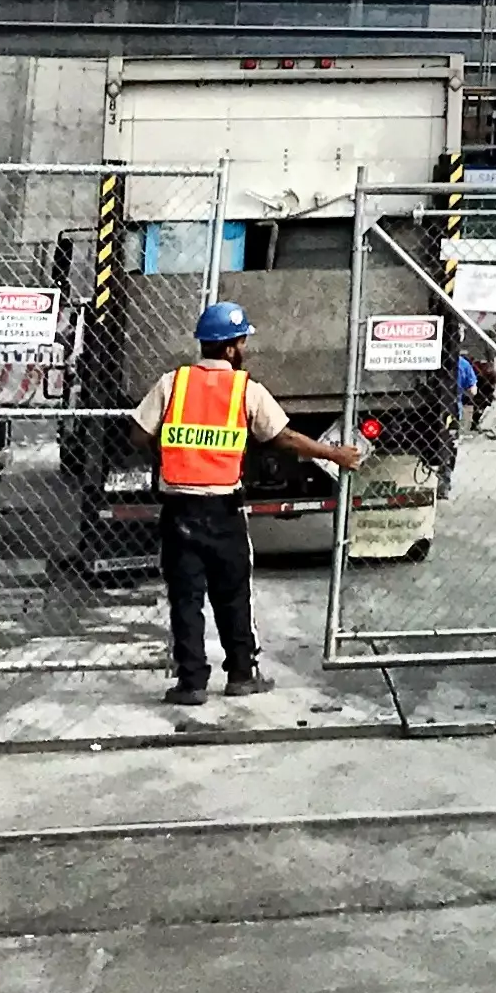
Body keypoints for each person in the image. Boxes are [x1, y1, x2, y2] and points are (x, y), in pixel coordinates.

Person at [134, 300, 368, 706]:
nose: (244, 348)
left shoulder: (172, 384)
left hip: (179, 510)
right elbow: (285, 437)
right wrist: (334, 455)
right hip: (223, 510)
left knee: (186, 599)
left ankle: (191, 684)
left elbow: (138, 433)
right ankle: (241, 674)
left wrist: (168, 455)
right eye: (242, 341)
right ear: (229, 348)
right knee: (233, 594)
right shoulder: (246, 391)